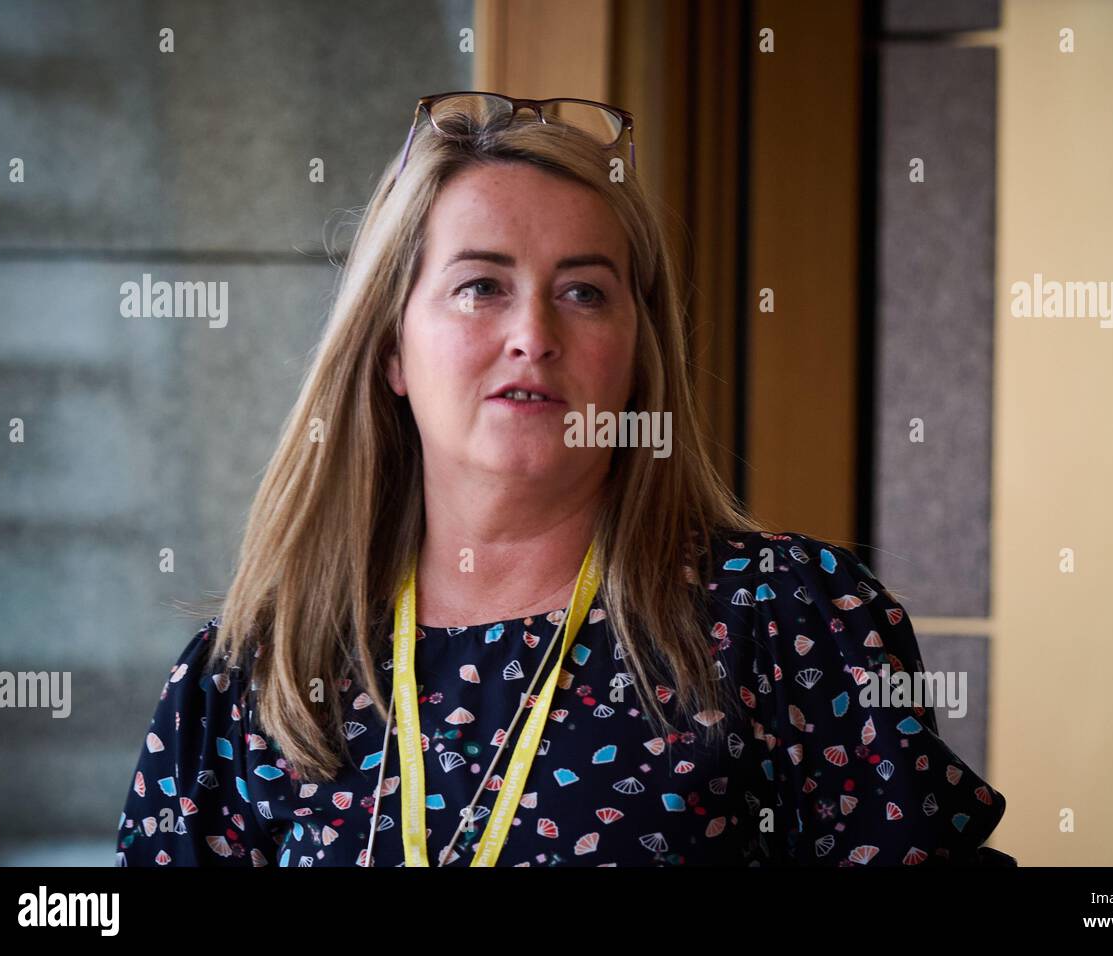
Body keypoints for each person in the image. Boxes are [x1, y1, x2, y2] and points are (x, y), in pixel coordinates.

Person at [115, 93, 1008, 867]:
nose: (534, 335)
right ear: (390, 347)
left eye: (583, 292)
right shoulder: (252, 679)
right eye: (480, 287)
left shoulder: (786, 624)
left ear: (636, 357)